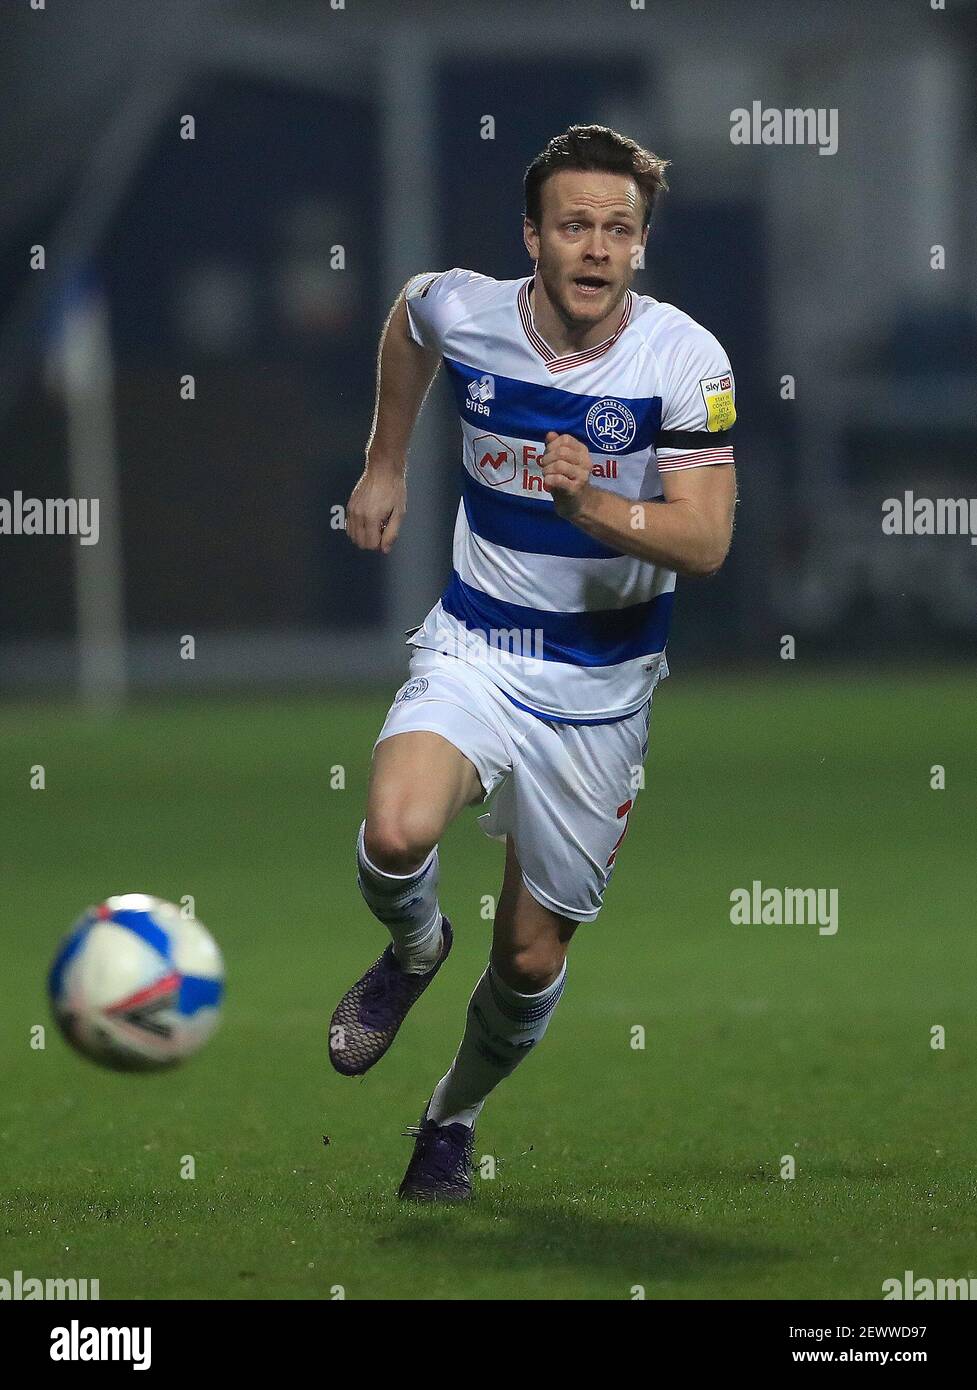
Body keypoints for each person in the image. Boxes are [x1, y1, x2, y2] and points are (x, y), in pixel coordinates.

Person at [330, 124, 738, 1202]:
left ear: (640, 245)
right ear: (533, 237)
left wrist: (590, 501)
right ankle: (414, 950)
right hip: (477, 644)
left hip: (600, 692)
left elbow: (704, 542)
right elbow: (408, 322)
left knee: (524, 962)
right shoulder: (468, 309)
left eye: (617, 229)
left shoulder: (683, 360)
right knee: (393, 830)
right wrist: (382, 466)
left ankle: (449, 1116)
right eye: (574, 226)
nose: (595, 249)